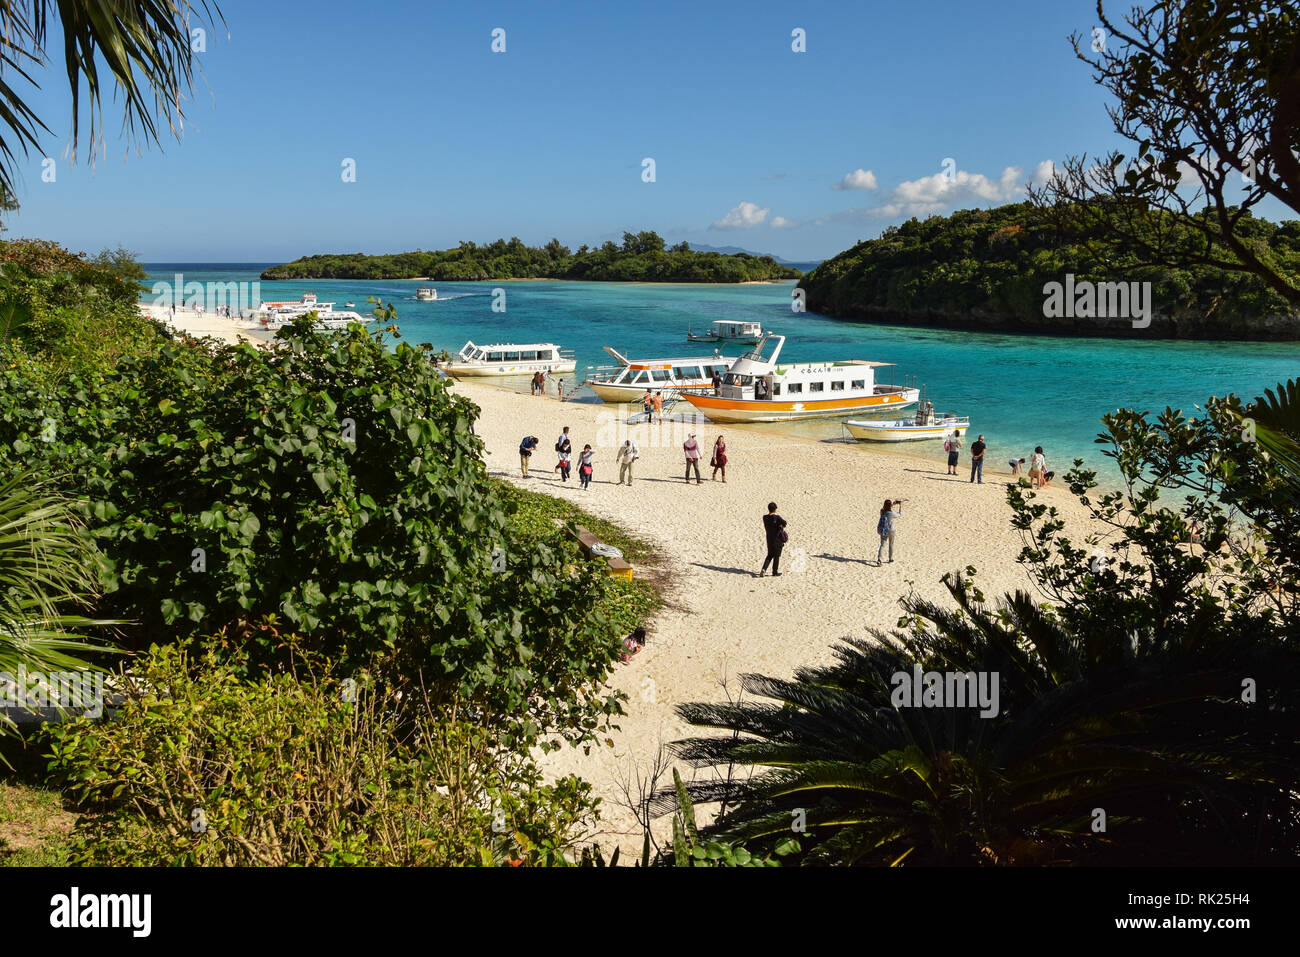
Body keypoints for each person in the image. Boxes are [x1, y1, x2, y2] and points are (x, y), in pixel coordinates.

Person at [760, 502, 787, 576]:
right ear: (775, 509)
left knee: (769, 555)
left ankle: (763, 569)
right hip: (777, 540)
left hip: (769, 539)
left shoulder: (765, 517)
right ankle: (774, 572)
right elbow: (785, 523)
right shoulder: (777, 517)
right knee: (776, 556)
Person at [876, 498, 903, 565]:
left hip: (883, 530)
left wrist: (893, 504)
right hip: (891, 530)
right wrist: (900, 506)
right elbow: (899, 514)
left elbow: (886, 508)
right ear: (890, 505)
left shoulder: (881, 511)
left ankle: (879, 559)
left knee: (882, 545)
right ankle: (890, 559)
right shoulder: (891, 514)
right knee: (891, 544)